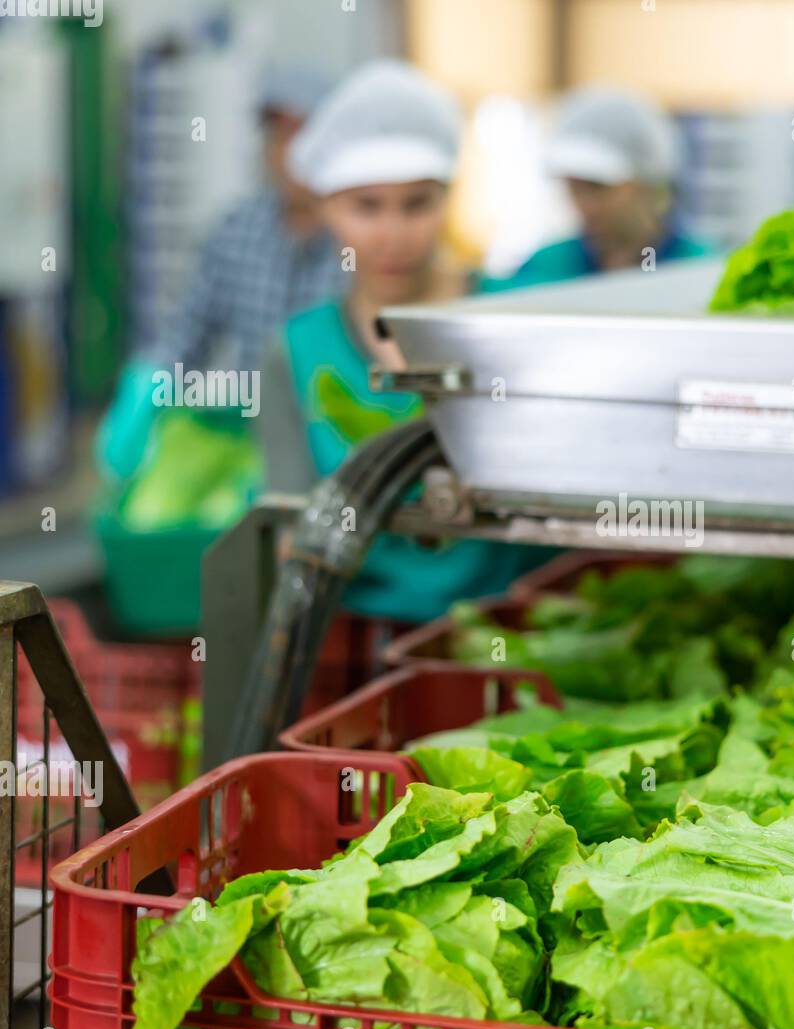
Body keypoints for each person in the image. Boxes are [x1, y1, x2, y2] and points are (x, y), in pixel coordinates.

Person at [258, 60, 550, 623]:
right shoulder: (296, 350)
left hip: (509, 627)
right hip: (361, 634)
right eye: (366, 206)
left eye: (417, 203)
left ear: (448, 199)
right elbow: (289, 525)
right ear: (324, 208)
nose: (393, 233)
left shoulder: (511, 323)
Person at [98, 65, 342, 482]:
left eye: (305, 132)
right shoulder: (235, 233)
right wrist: (148, 387)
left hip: (343, 451)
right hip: (258, 449)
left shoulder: (361, 241)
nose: (291, 151)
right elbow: (186, 335)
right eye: (279, 134)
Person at [487, 87, 710, 291]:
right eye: (573, 188)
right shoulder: (548, 268)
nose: (584, 206)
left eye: (597, 188)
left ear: (648, 185)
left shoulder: (699, 271)